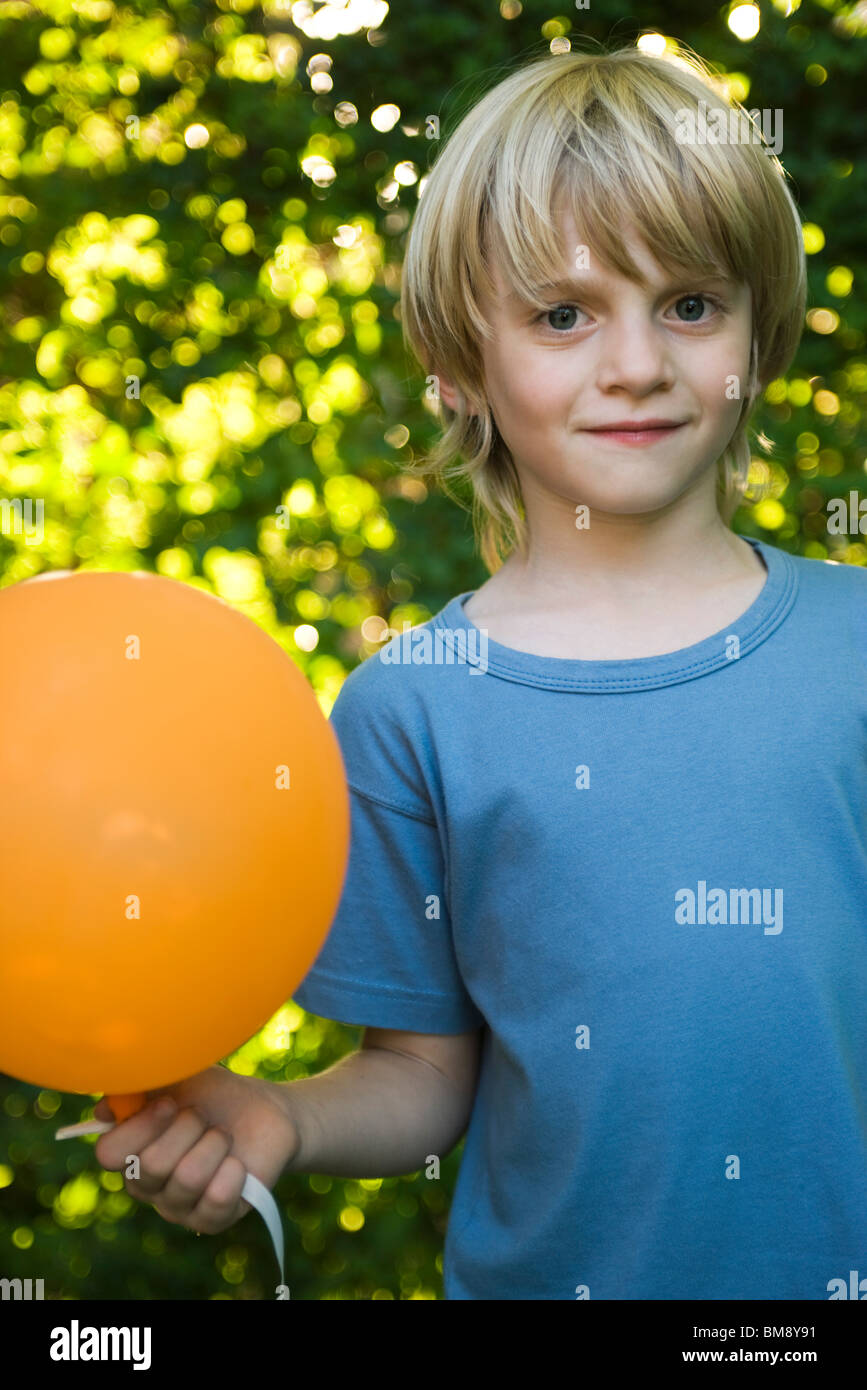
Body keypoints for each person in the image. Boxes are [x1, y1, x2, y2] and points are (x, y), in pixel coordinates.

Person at [95, 43, 867, 1300]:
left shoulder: (856, 647)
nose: (634, 363)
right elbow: (422, 1071)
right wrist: (281, 1121)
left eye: (689, 304)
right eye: (563, 314)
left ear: (758, 334)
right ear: (464, 361)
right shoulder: (414, 705)